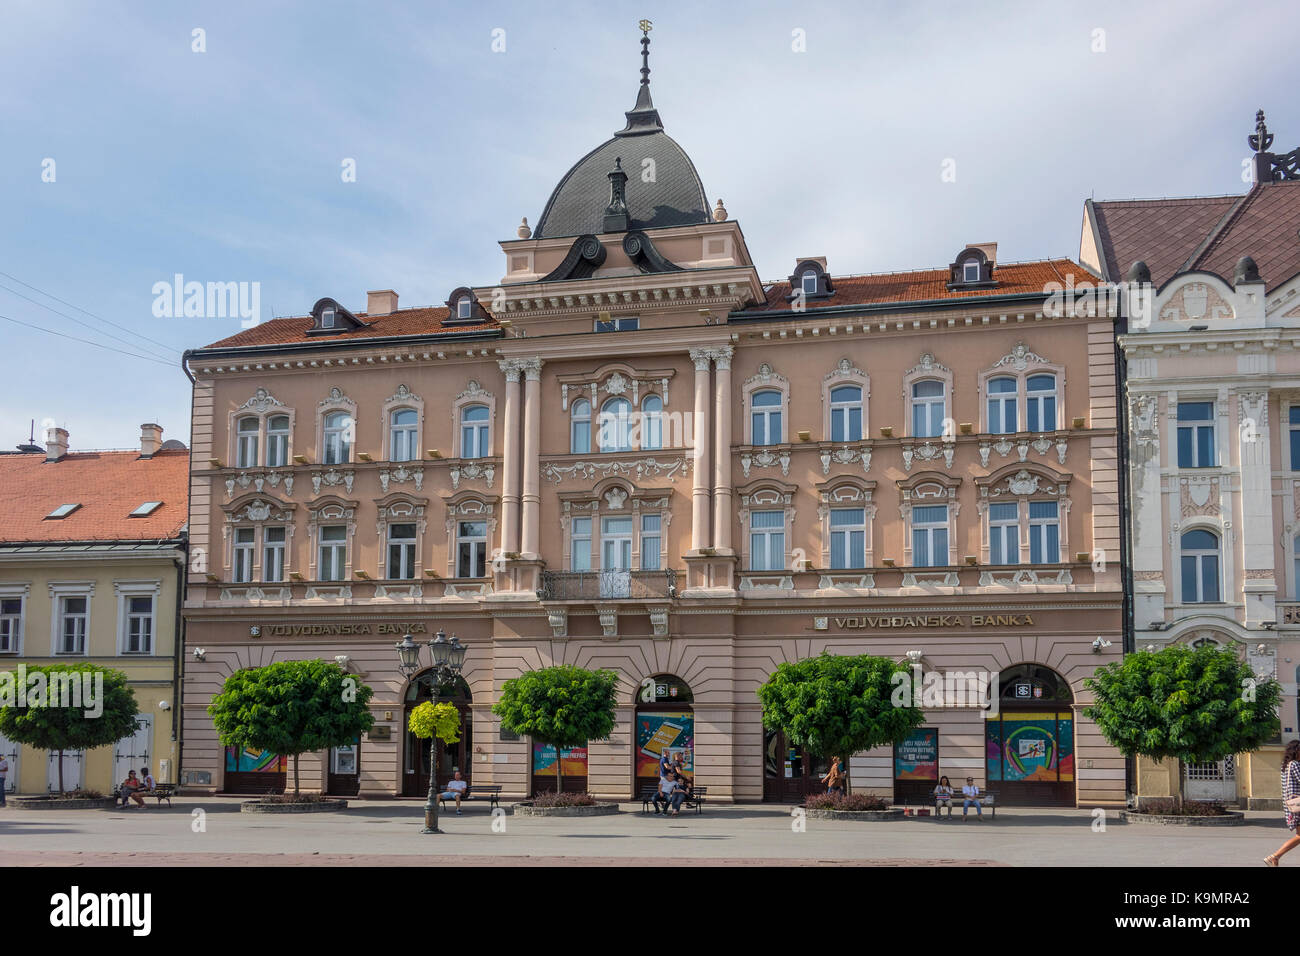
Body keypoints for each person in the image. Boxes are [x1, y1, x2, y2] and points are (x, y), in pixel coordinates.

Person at [1266, 740, 1300, 865]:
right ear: (1296, 751)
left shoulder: (1285, 765)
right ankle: (1275, 856)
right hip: (1298, 805)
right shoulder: (1295, 764)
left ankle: (1275, 857)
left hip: (1292, 806)